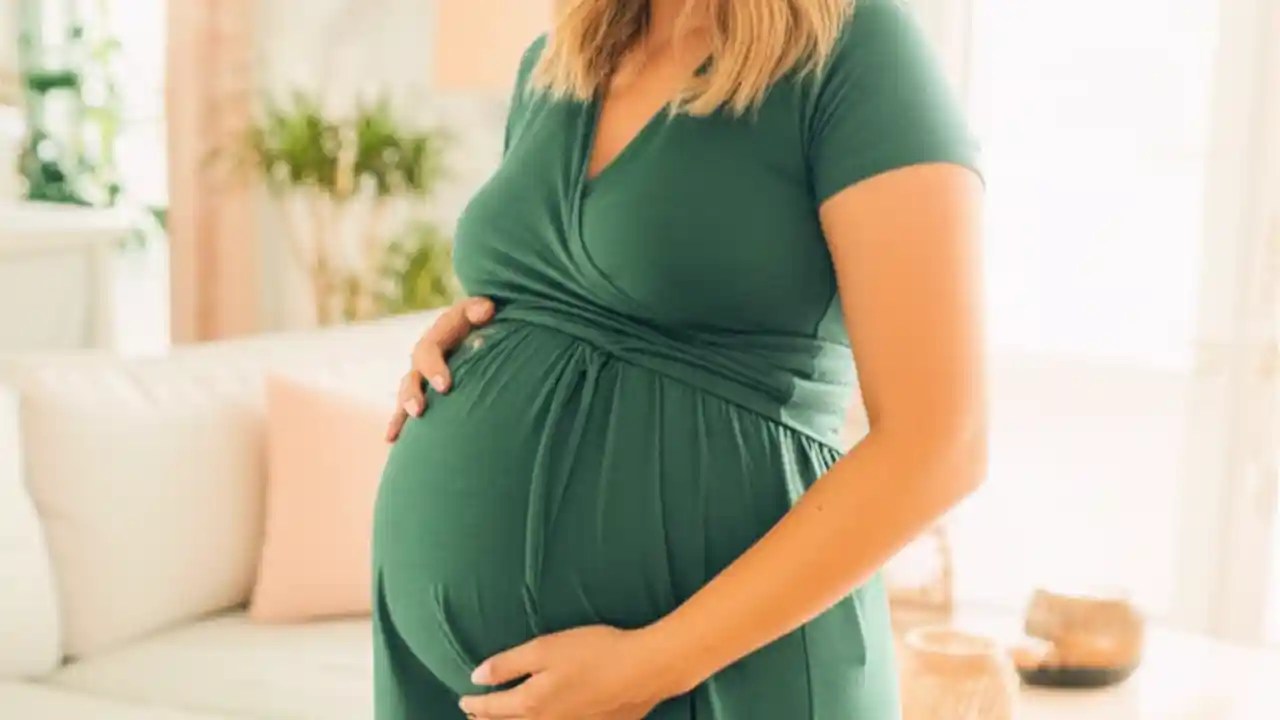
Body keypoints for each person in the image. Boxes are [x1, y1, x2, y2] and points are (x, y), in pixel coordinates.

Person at [374, 0, 985, 717]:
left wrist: (651, 665)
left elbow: (943, 442)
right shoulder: (555, 64)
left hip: (726, 677)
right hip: (465, 684)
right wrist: (482, 335)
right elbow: (575, 293)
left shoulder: (856, 49)